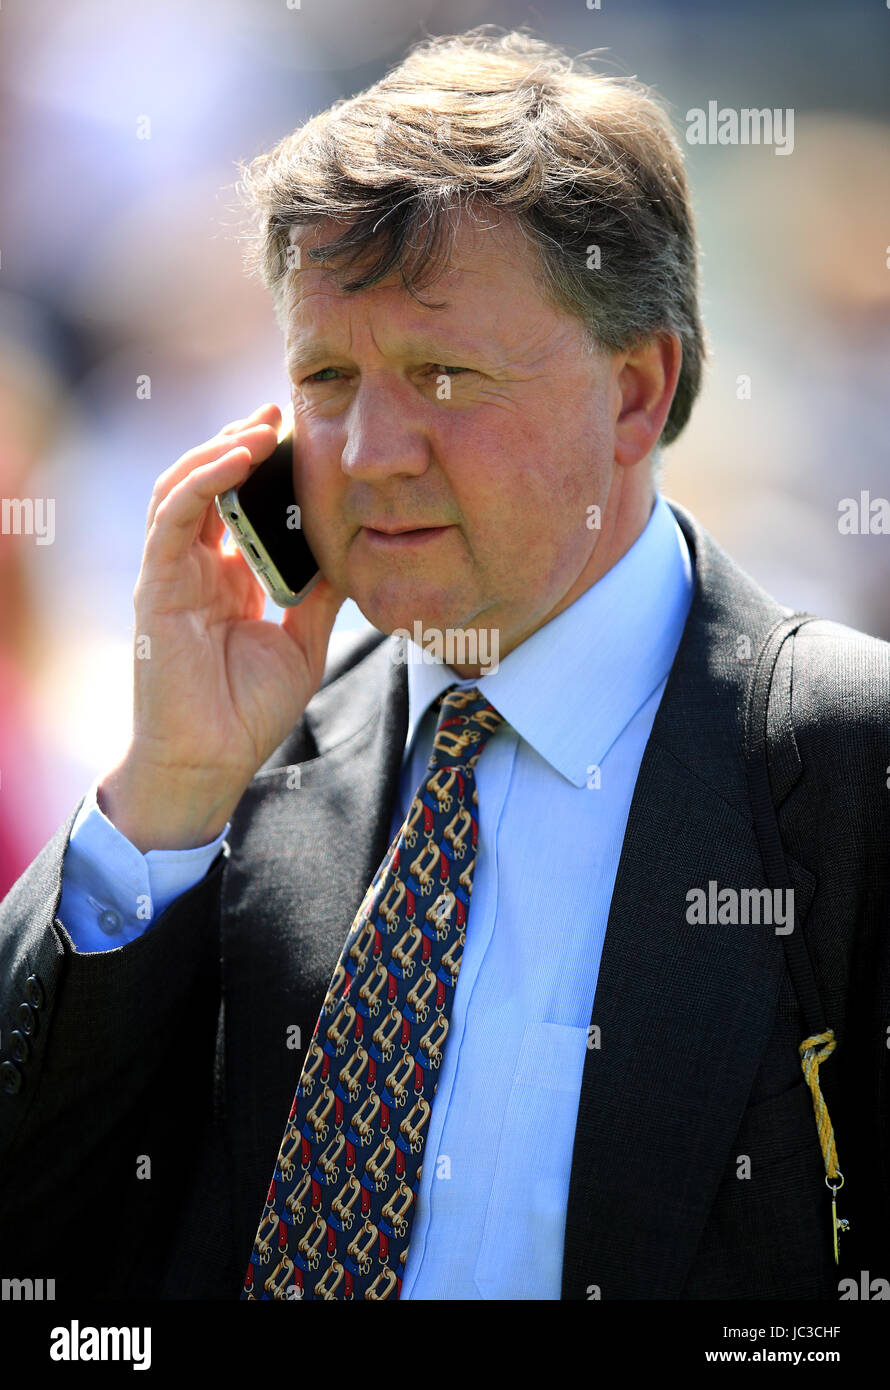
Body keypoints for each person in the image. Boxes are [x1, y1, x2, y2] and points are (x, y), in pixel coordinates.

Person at [0, 27, 887, 1302]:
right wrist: (167, 794)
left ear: (635, 392)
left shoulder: (844, 763)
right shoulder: (241, 757)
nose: (366, 452)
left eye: (440, 374)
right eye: (324, 376)